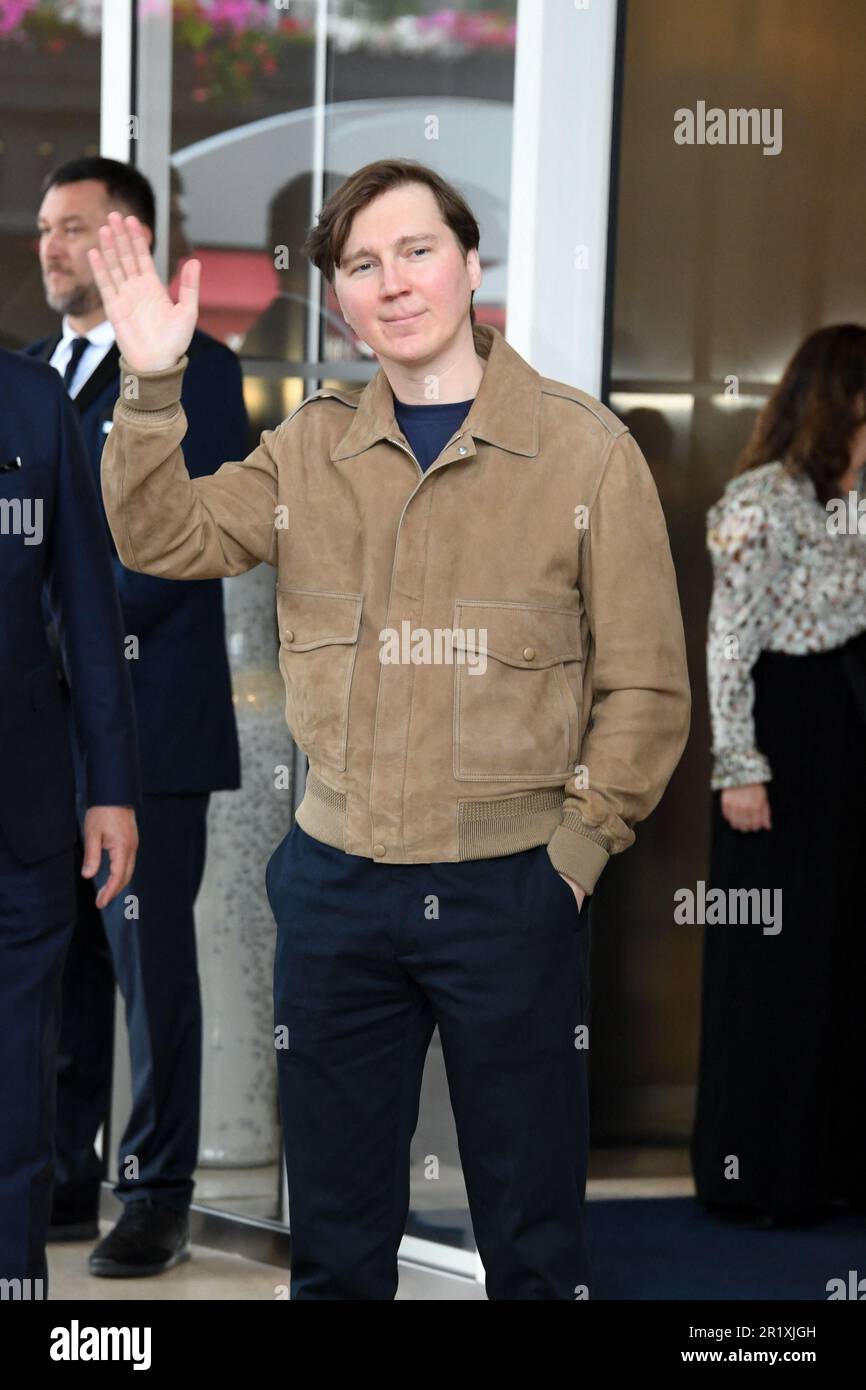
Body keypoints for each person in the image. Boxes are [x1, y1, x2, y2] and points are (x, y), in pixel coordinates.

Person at [95, 158, 690, 1299]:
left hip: (510, 890)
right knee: (335, 1245)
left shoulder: (583, 454)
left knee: (530, 1241)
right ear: (338, 299)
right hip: (333, 891)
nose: (393, 280)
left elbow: (647, 689)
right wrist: (152, 383)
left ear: (471, 266)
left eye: (415, 250)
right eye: (360, 264)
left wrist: (572, 856)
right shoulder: (305, 451)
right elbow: (160, 539)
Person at [22, 157, 247, 1276]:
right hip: (40, 741)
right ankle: (62, 1174)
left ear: (130, 241)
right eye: (44, 229)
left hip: (150, 727)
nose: (48, 246)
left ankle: (156, 1192)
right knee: (56, 966)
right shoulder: (24, 375)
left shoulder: (199, 371)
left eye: (72, 228)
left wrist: (48, 638)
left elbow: (174, 548)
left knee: (150, 974)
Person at [692, 324, 866, 1228]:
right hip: (781, 735)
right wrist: (738, 766)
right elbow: (730, 641)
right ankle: (757, 1169)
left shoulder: (857, 499)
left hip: (847, 727)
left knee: (842, 951)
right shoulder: (763, 498)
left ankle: (834, 1161)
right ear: (840, 399)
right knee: (777, 960)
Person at [0, 347, 139, 1294]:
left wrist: (112, 788)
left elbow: (88, 603)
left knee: (18, 1080)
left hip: (27, 814)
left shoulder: (32, 397)